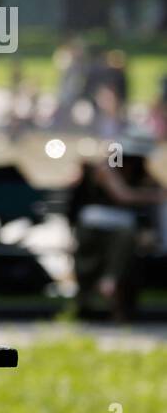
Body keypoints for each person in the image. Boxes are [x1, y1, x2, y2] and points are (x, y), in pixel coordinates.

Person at [69, 128, 166, 321]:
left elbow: (156, 188)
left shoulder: (138, 168)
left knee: (130, 242)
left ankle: (113, 290)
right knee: (125, 237)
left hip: (121, 228)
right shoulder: (109, 165)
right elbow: (123, 196)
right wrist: (154, 196)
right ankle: (109, 281)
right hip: (96, 224)